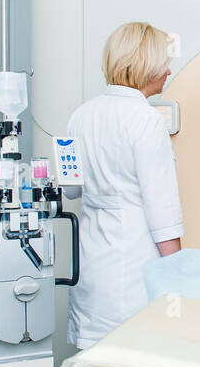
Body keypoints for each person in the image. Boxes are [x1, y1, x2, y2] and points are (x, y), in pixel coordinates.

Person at [62, 22, 183, 348]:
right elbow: (162, 210)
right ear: (147, 66)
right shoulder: (145, 120)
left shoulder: (79, 116)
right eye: (164, 63)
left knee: (96, 353)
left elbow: (69, 190)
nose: (169, 70)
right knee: (136, 350)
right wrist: (178, 274)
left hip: (90, 255)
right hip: (133, 258)